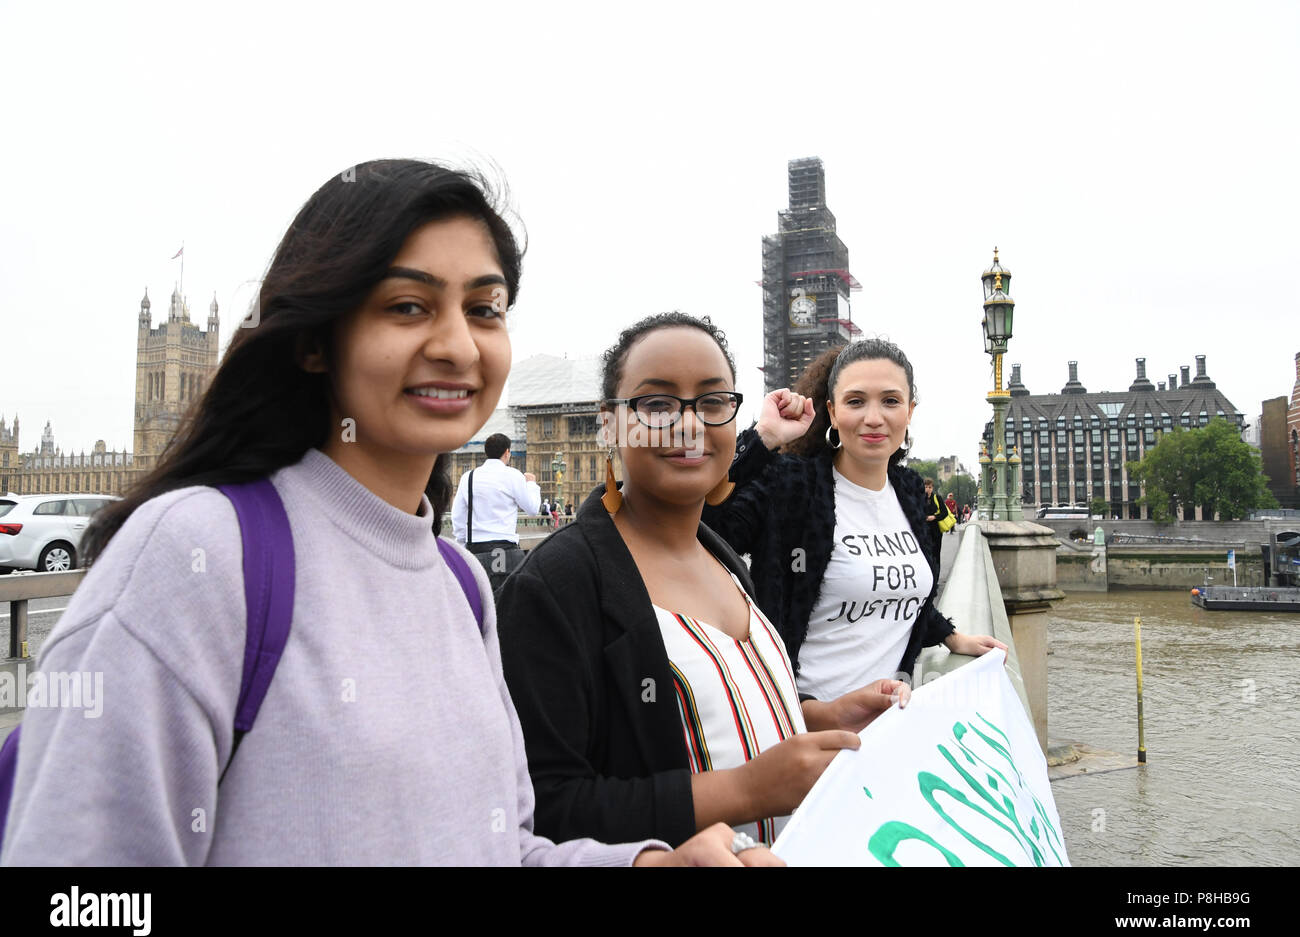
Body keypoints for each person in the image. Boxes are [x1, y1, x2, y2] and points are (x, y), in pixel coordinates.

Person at [0, 161, 774, 867]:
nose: (456, 345)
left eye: (484, 309)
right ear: (314, 342)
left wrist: (649, 864)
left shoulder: (461, 585)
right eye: (407, 306)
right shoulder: (197, 554)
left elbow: (500, 850)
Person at [495, 313, 909, 848]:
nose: (690, 425)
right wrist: (744, 791)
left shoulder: (724, 559)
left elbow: (711, 725)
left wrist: (814, 718)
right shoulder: (555, 588)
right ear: (609, 424)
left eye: (712, 402)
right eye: (658, 405)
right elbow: (543, 809)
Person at [702, 340, 1005, 705]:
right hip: (802, 722)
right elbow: (710, 528)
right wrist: (763, 438)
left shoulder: (909, 490)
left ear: (910, 412)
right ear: (831, 411)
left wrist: (951, 637)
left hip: (885, 726)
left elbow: (902, 590)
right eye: (856, 401)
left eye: (890, 401)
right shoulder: (793, 484)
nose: (873, 418)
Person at [451, 432, 538, 592]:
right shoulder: (513, 475)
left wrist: (464, 543)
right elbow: (532, 509)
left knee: (478, 599)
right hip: (506, 549)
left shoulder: (468, 477)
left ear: (486, 453)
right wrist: (531, 484)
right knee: (506, 601)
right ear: (507, 452)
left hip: (476, 550)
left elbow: (457, 517)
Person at [922, 477, 952, 557]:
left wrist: (934, 517)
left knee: (936, 554)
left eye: (930, 487)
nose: (928, 489)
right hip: (924, 532)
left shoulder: (937, 498)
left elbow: (944, 513)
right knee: (926, 555)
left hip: (936, 531)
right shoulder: (920, 499)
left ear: (932, 488)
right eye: (926, 487)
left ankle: (936, 569)